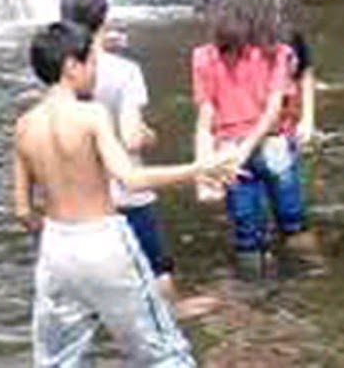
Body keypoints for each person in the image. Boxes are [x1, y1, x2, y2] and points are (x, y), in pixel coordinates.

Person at [13, 22, 236, 367]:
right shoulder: (91, 115)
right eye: (91, 63)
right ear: (71, 66)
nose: (95, 72)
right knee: (162, 351)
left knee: (58, 359)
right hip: (103, 241)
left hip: (56, 248)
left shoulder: (24, 127)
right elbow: (130, 179)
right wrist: (198, 168)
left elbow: (23, 212)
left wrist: (60, 233)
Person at [58, 0, 178, 300]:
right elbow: (131, 139)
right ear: (104, 18)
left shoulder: (59, 71)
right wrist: (150, 134)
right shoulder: (125, 71)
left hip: (77, 198)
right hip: (126, 193)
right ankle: (168, 331)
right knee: (158, 273)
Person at [190, 0, 307, 272]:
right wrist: (242, 152)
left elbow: (205, 118)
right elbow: (271, 113)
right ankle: (306, 282)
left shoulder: (204, 56)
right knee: (293, 224)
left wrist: (204, 171)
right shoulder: (277, 53)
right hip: (271, 144)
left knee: (247, 236)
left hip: (229, 150)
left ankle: (252, 300)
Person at [250, 0, 317, 142]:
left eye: (277, 6)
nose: (275, 14)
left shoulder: (289, 35)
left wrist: (308, 120)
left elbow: (306, 73)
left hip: (286, 126)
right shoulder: (240, 39)